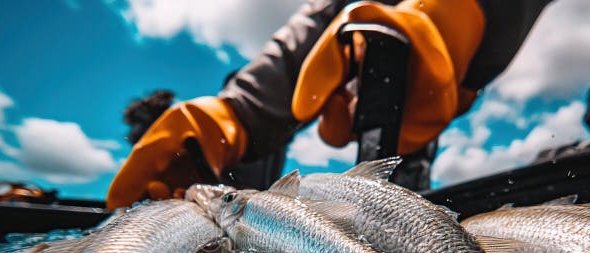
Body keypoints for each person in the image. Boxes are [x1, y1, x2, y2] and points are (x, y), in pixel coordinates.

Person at [106, 0, 552, 210]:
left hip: (432, 99)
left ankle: (404, 200)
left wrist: (472, 13)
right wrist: (239, 114)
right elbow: (325, 15)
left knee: (403, 192)